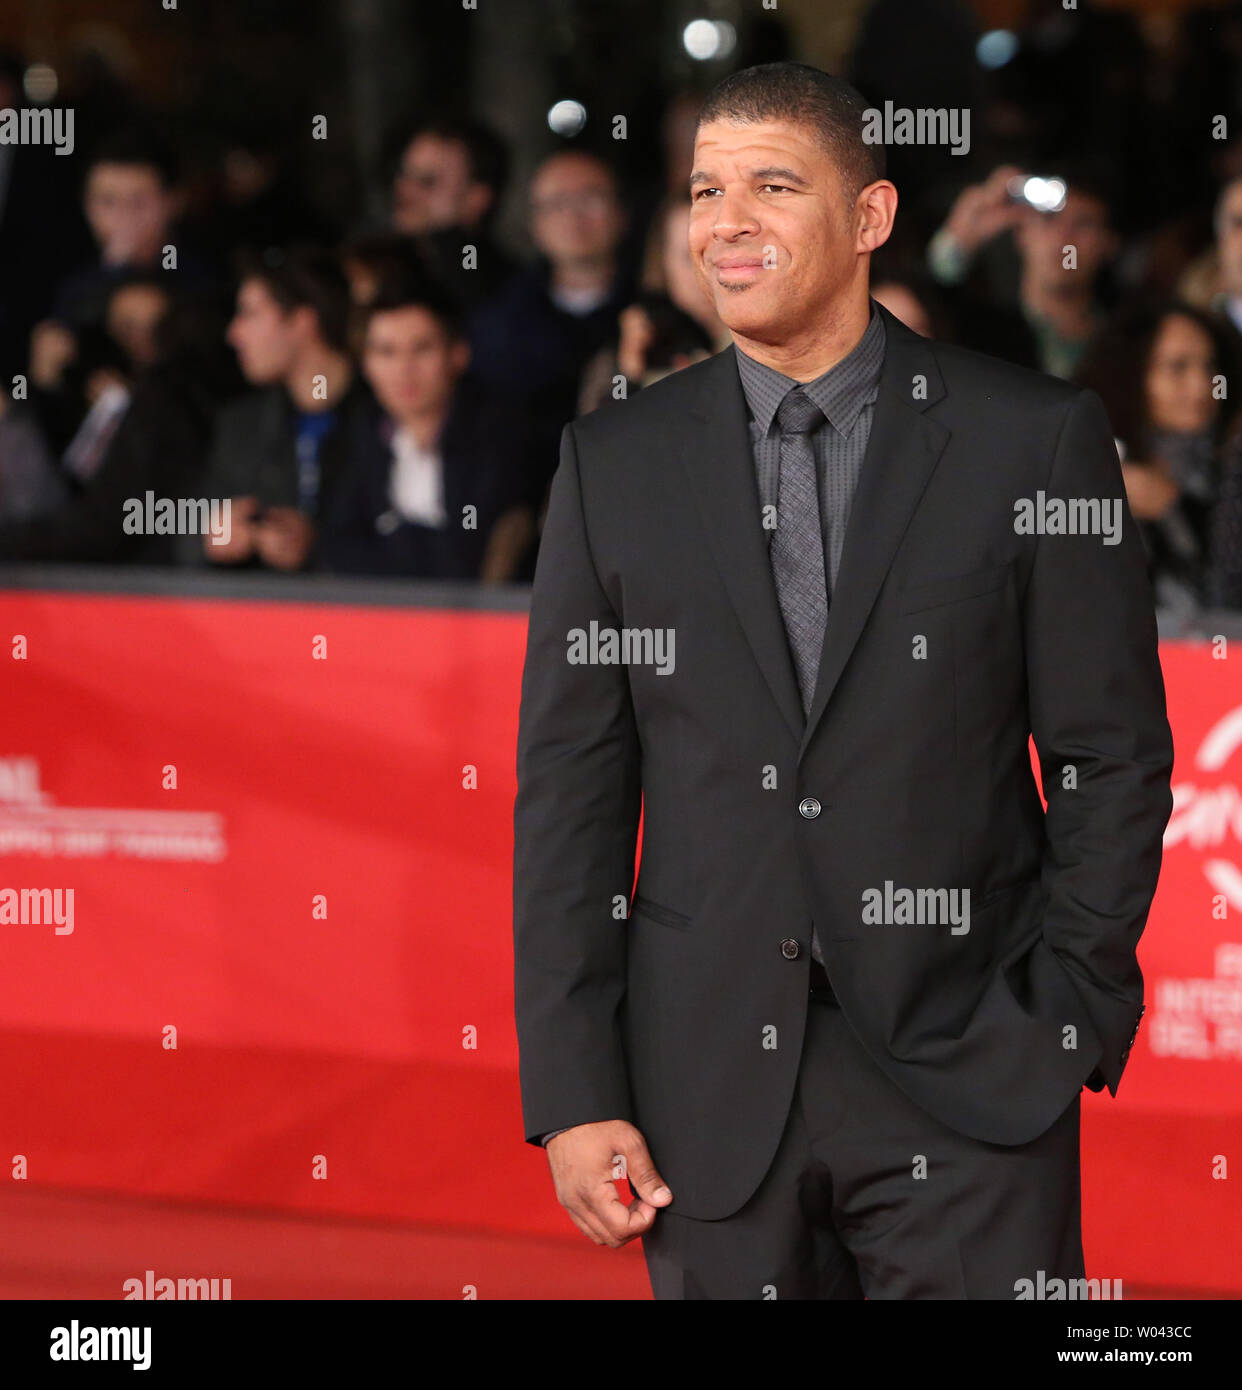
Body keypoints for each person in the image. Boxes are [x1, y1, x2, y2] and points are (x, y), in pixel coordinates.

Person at [513, 61, 1174, 1300]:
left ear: (870, 217)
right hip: (703, 1085)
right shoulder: (614, 466)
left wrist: (1067, 1010)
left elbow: (1110, 756)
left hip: (972, 1073)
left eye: (773, 184)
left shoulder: (1031, 438)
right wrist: (573, 1093)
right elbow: (572, 797)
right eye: (707, 189)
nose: (727, 222)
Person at [316, 278, 536, 582]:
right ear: (365, 363)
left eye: (422, 349)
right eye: (386, 352)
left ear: (457, 354)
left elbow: (475, 552)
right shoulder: (350, 438)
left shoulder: (500, 436)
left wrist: (393, 543)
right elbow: (335, 548)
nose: (404, 369)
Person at [196, 247, 370, 573]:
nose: (234, 334)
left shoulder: (386, 418)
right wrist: (216, 537)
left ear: (303, 321)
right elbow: (186, 531)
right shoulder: (242, 426)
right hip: (263, 614)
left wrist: (318, 545)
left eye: (249, 313)